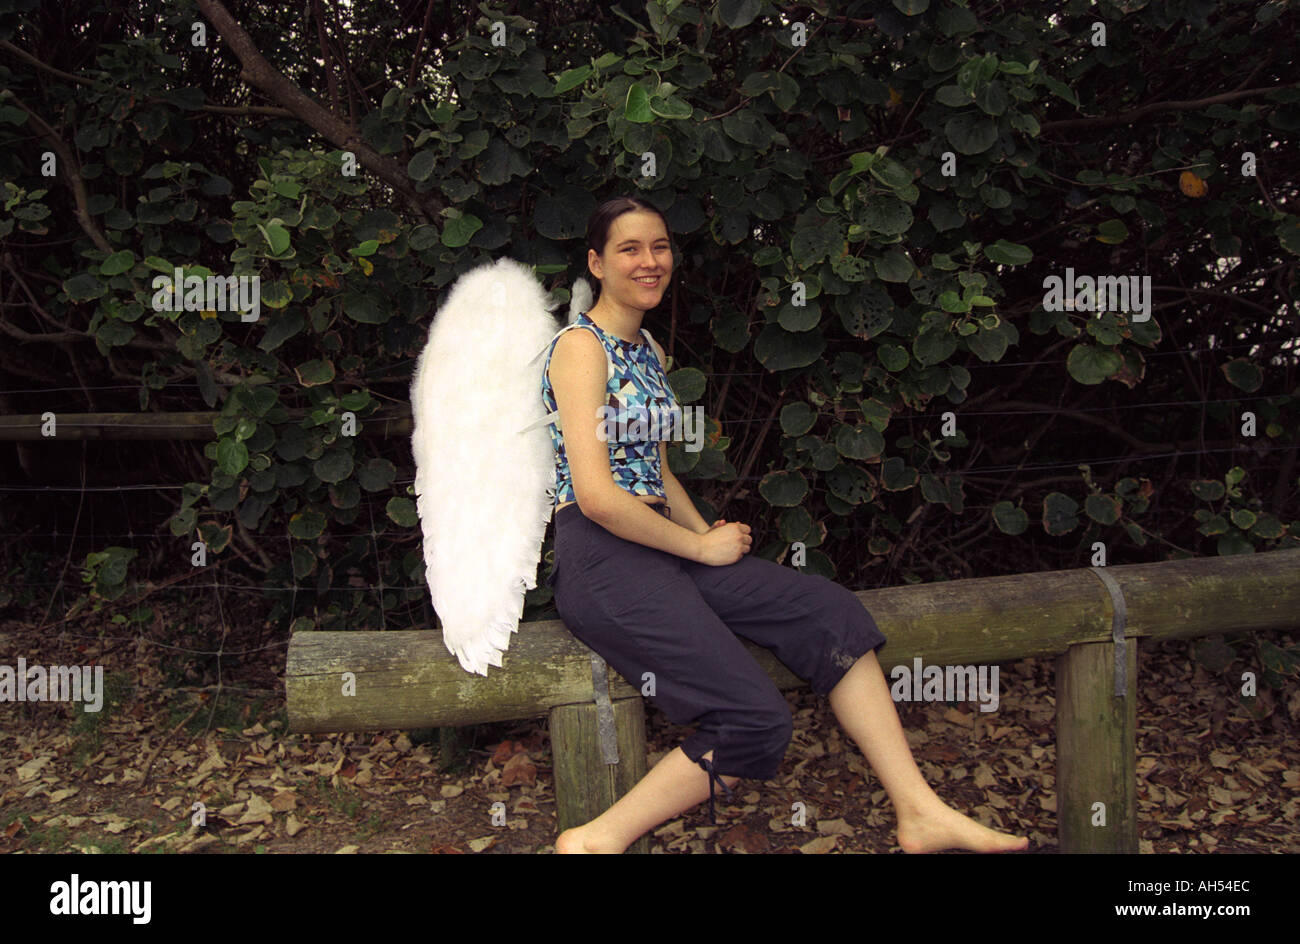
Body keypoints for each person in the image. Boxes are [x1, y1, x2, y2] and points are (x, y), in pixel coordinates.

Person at [543, 195, 1029, 855]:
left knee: (830, 613)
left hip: (660, 543)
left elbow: (657, 476)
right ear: (597, 263)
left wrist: (706, 537)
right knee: (753, 721)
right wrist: (698, 545)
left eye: (660, 246)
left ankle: (920, 813)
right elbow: (598, 496)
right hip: (604, 558)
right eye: (630, 249)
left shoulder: (647, 351)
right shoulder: (580, 348)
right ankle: (595, 840)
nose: (651, 261)